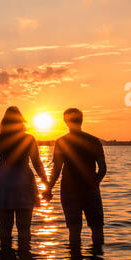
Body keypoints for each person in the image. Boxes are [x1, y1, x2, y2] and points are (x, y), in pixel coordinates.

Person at [0, 106, 49, 254]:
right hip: (24, 184)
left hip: (3, 184)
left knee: (5, 229)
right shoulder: (28, 138)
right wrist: (47, 184)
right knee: (24, 229)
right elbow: (37, 164)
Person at [46, 107, 106, 251]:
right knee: (97, 228)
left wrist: (48, 189)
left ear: (65, 122)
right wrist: (93, 184)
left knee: (74, 229)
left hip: (69, 190)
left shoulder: (61, 142)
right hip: (90, 189)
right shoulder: (93, 141)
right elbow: (103, 169)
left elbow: (56, 170)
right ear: (82, 120)